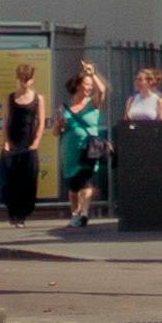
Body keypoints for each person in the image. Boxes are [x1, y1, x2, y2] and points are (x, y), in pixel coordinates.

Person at [60, 63, 109, 228]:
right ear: (78, 85)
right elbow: (54, 131)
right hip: (70, 149)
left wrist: (93, 73)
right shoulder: (65, 107)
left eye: (90, 85)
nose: (89, 87)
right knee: (73, 185)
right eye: (86, 84)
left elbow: (102, 90)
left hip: (90, 148)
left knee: (86, 181)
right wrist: (59, 124)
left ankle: (85, 213)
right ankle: (75, 214)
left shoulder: (92, 103)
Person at [0, 63, 47, 224]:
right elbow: (5, 121)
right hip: (12, 143)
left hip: (29, 145)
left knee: (27, 181)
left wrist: (36, 142)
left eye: (26, 80)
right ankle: (12, 213)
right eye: (20, 79)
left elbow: (41, 122)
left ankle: (22, 215)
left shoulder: (38, 98)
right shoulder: (10, 98)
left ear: (31, 80)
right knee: (10, 181)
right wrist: (5, 143)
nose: (23, 83)